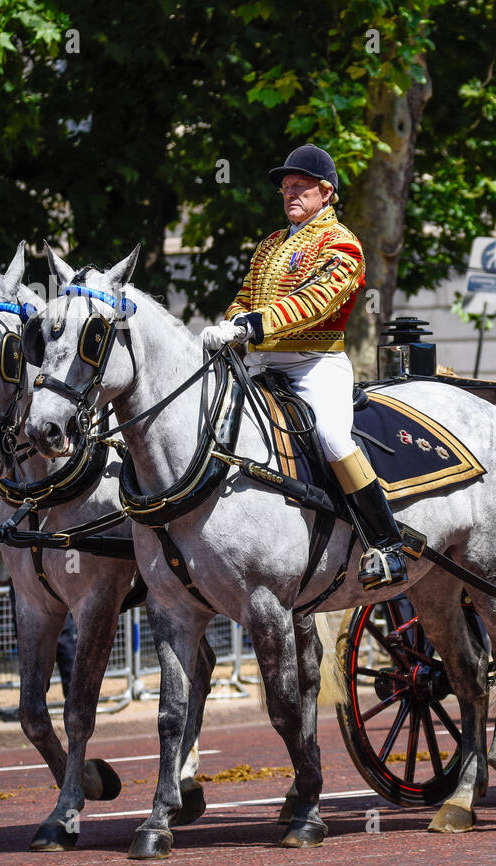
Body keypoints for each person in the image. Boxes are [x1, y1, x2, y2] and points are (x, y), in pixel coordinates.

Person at [199, 144, 406, 590]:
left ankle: (386, 544)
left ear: (326, 192)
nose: (289, 193)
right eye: (286, 187)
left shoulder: (342, 242)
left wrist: (251, 325)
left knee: (332, 439)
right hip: (258, 361)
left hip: (314, 364)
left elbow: (314, 301)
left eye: (300, 186)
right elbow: (248, 293)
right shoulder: (272, 243)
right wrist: (230, 321)